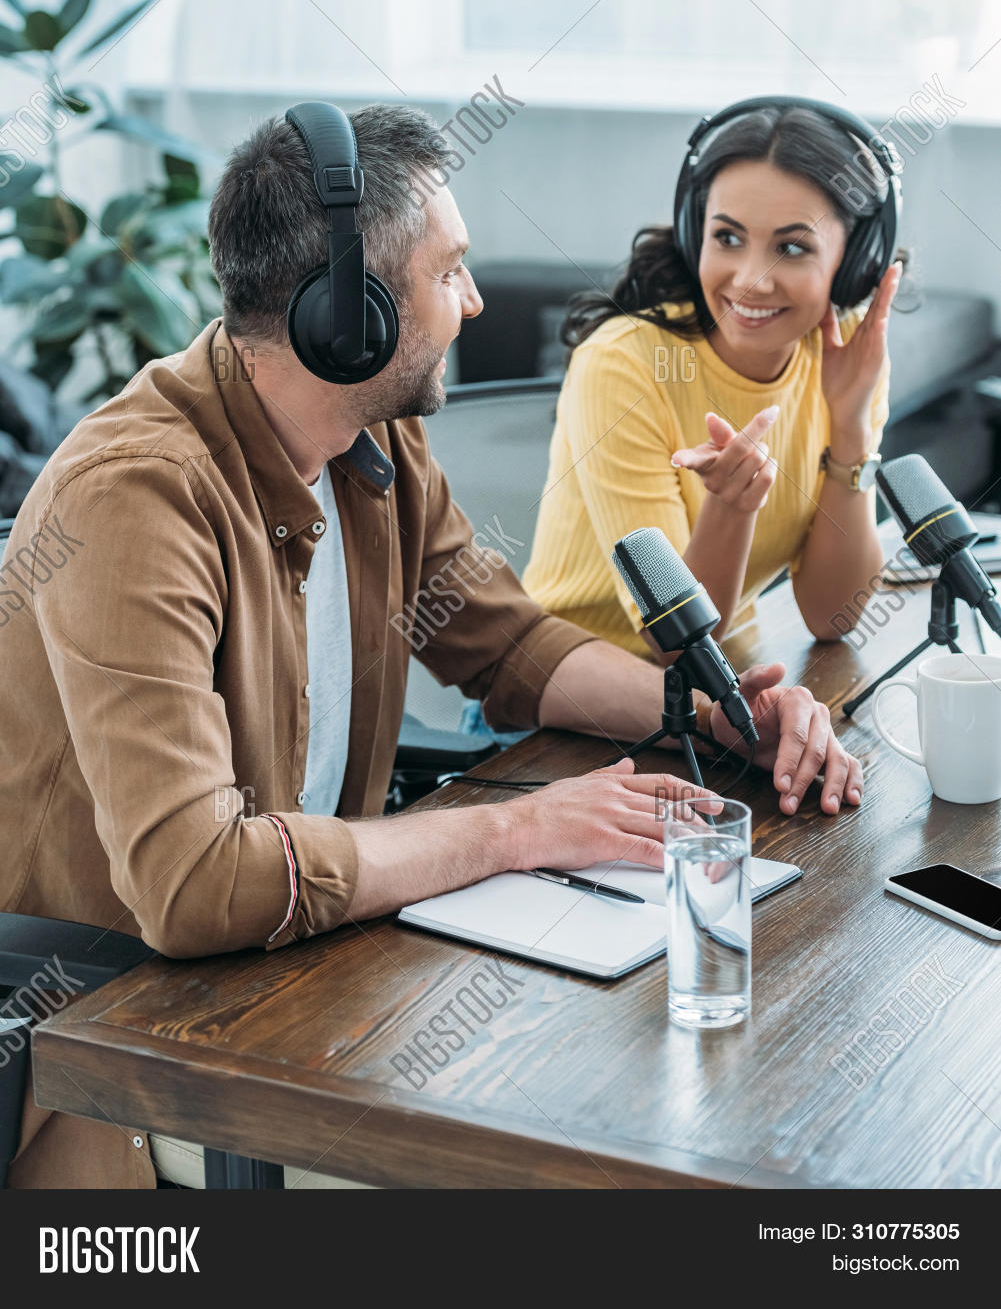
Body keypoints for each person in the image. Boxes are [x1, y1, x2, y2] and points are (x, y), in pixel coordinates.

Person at [0, 102, 861, 1189]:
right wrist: (516, 831)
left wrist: (709, 711)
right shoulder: (138, 499)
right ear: (345, 319)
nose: (475, 299)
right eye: (449, 270)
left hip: (301, 979)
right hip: (121, 1045)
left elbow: (508, 650)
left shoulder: (373, 443)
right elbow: (194, 883)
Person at [524, 97, 904, 664]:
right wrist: (731, 506)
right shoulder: (624, 367)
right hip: (563, 704)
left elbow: (835, 615)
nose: (752, 281)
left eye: (793, 248)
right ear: (693, 232)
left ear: (853, 265)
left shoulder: (846, 357)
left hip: (721, 685)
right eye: (727, 237)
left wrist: (850, 428)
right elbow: (677, 644)